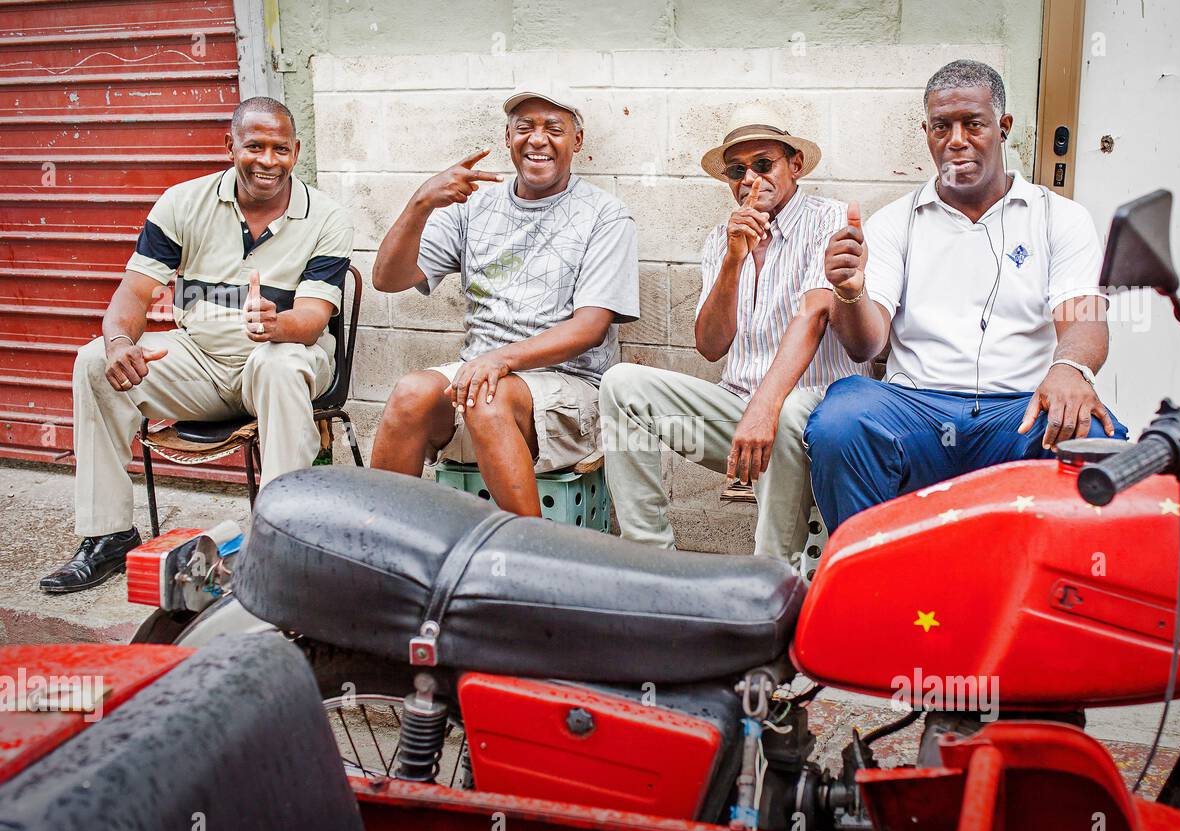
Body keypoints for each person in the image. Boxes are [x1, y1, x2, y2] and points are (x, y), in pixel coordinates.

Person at [39, 97, 353, 593]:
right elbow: (134, 291)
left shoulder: (326, 217)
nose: (267, 160)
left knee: (279, 362)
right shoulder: (183, 202)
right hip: (200, 362)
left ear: (296, 152)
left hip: (280, 361)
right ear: (229, 146)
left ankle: (282, 544)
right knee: (95, 361)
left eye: (280, 149)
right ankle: (109, 536)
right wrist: (120, 340)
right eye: (254, 146)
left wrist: (276, 323)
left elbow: (313, 322)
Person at [805, 59, 1127, 533]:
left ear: (1004, 128)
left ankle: (1053, 593)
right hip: (917, 411)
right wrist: (850, 294)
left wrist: (1069, 368)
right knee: (842, 417)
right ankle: (870, 580)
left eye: (972, 124)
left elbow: (1083, 318)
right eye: (941, 127)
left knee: (1093, 434)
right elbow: (866, 346)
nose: (956, 139)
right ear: (927, 132)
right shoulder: (895, 222)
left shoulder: (1060, 217)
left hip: (1018, 412)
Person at [601, 106, 869, 567]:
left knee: (787, 412)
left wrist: (764, 410)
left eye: (763, 165)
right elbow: (710, 346)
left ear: (795, 166)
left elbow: (816, 316)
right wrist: (732, 260)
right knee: (621, 385)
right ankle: (650, 562)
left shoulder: (827, 221)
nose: (750, 179)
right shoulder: (721, 240)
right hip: (738, 418)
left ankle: (769, 576)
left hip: (815, 415)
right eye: (737, 170)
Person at [369, 85, 639, 515]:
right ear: (508, 137)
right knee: (410, 393)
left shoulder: (605, 215)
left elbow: (589, 328)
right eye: (524, 127)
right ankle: (384, 548)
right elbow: (387, 279)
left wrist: (502, 360)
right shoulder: (472, 205)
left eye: (554, 128)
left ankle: (529, 557)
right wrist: (421, 202)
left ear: (577, 141)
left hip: (569, 393)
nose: (537, 139)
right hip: (482, 384)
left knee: (488, 400)